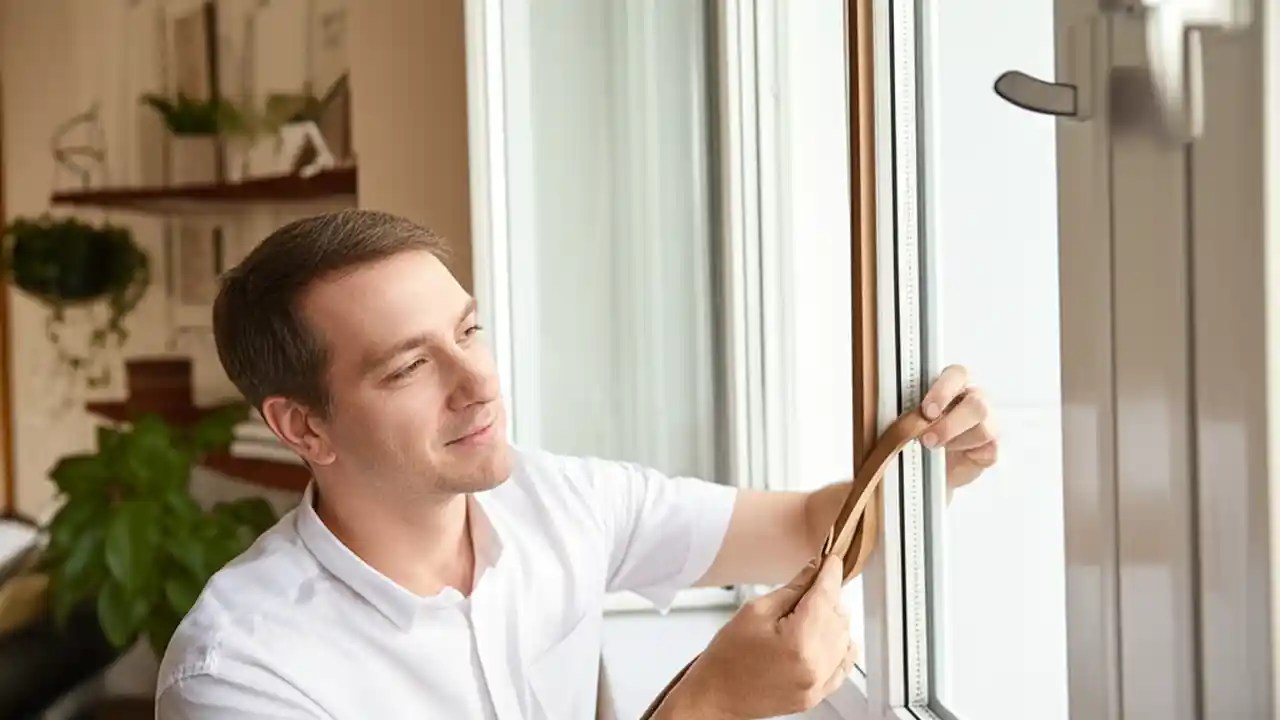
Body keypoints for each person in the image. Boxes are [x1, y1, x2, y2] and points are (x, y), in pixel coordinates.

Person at [156, 210, 998, 719]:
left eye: (469, 331)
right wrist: (707, 705)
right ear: (303, 426)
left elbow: (809, 528)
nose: (479, 382)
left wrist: (924, 459)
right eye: (411, 366)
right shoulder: (241, 675)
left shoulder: (556, 499)